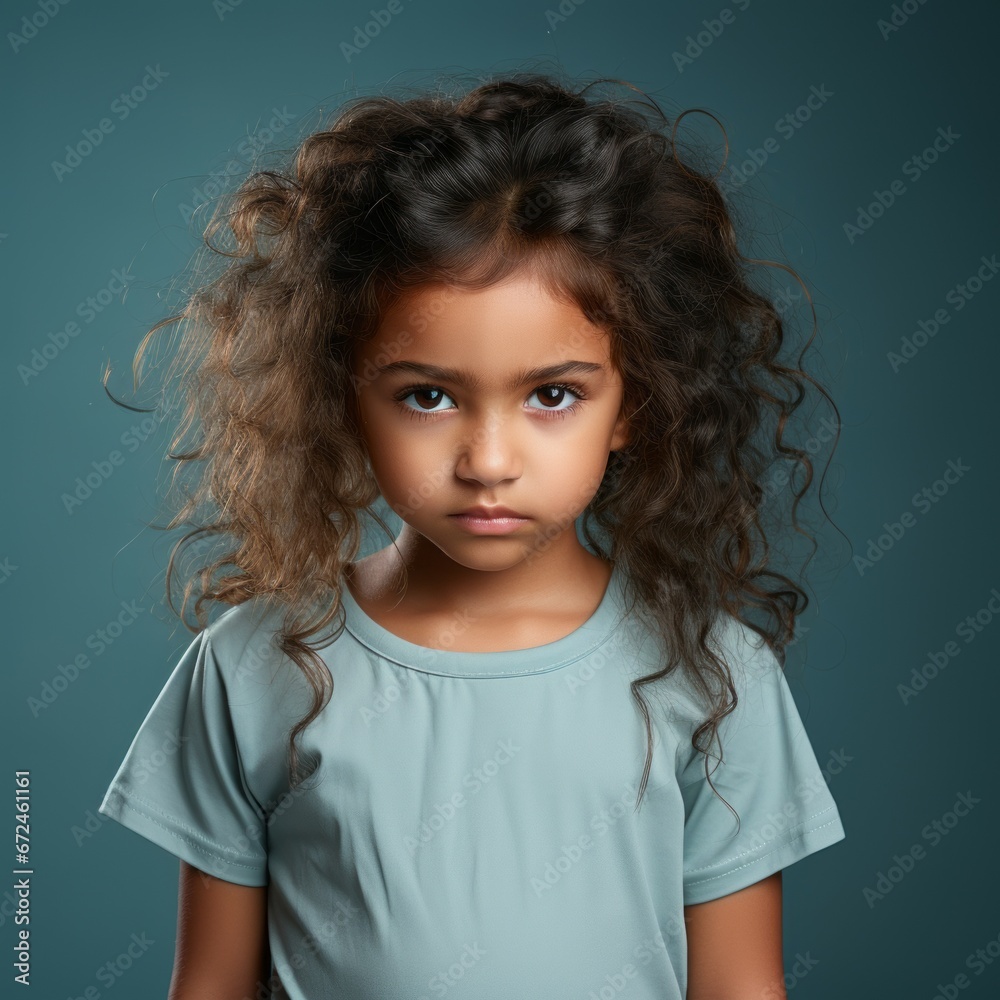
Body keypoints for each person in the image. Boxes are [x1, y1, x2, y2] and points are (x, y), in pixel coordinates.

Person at [97, 69, 847, 1000]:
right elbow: (210, 986)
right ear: (343, 399)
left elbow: (741, 989)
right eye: (427, 395)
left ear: (636, 403)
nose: (488, 459)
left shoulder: (714, 675)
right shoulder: (252, 666)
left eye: (553, 395)